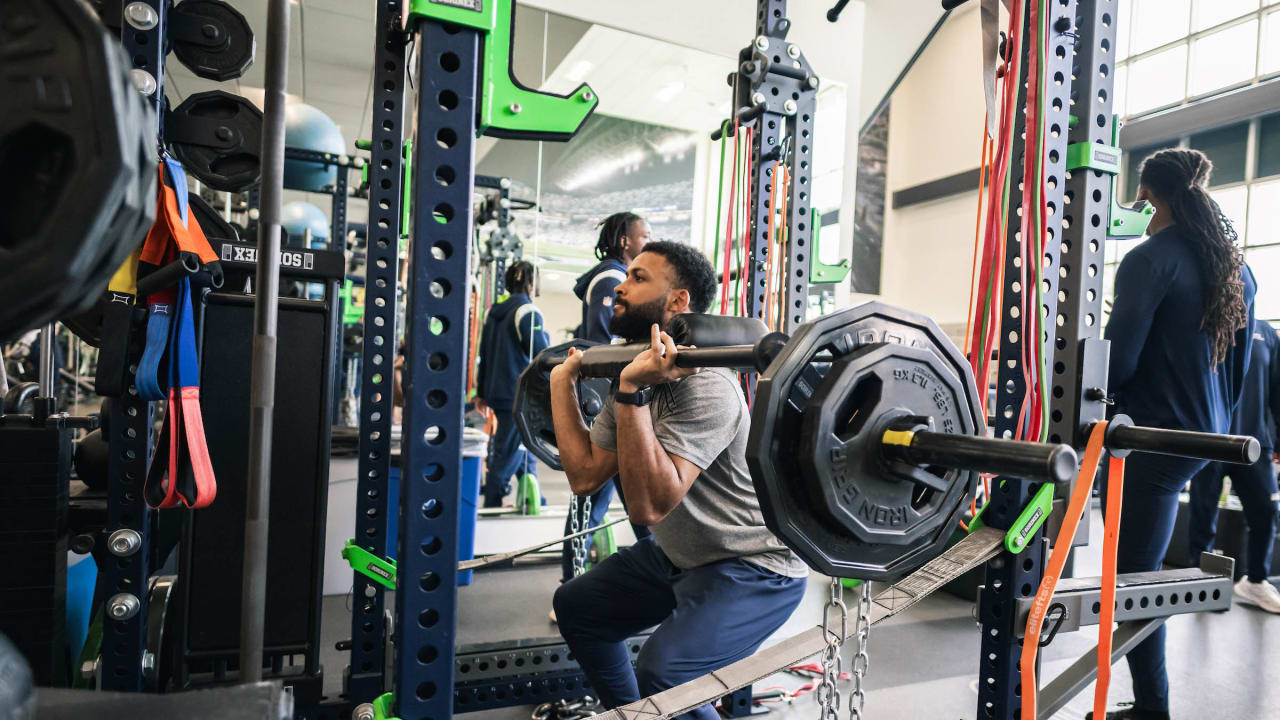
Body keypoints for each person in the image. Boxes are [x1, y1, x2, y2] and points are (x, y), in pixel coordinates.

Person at [549, 241, 808, 720]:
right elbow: (585, 475)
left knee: (664, 676)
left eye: (639, 278)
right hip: (683, 556)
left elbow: (648, 508)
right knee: (578, 607)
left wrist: (631, 393)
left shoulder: (709, 386)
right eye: (626, 276)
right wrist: (560, 384)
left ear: (678, 301)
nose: (620, 288)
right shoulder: (634, 371)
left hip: (754, 565)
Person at [1089, 149, 1255, 720]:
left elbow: (1120, 361)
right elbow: (1237, 370)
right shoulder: (1235, 266)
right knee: (1143, 571)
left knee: (1133, 578)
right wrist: (1217, 423)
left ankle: (1154, 709)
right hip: (1209, 435)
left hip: (1153, 441)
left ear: (1147, 196)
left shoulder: (1149, 258)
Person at [558, 213, 654, 592]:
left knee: (641, 498)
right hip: (607, 404)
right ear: (626, 241)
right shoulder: (612, 279)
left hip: (626, 402)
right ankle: (570, 581)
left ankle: (672, 579)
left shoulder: (617, 277)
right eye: (643, 236)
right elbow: (604, 350)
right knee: (596, 494)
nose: (648, 241)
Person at [1187, 316, 1280, 612]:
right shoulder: (1206, 321)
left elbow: (1277, 392)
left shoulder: (1266, 334)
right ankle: (1201, 582)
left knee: (1266, 513)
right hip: (1211, 438)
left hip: (1255, 443)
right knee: (1203, 513)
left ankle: (1255, 581)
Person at [474, 261, 550, 508]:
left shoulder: (494, 312)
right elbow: (543, 354)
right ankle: (492, 504)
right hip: (518, 396)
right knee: (507, 454)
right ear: (530, 282)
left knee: (525, 447)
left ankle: (536, 500)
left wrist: (481, 393)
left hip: (498, 392)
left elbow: (484, 354)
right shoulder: (527, 311)